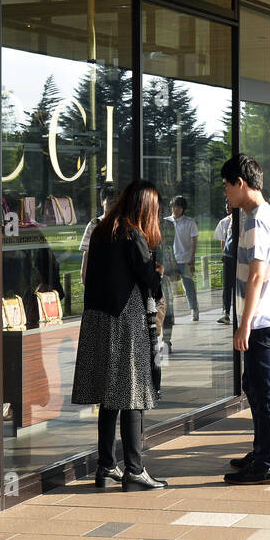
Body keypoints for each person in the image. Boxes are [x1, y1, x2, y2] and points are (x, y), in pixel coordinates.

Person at [72, 179, 168, 491]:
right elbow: (148, 280)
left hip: (97, 320)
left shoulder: (102, 230)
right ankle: (135, 470)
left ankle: (106, 465)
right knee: (133, 392)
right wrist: (158, 275)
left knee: (108, 396)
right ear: (145, 208)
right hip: (124, 320)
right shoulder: (132, 234)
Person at [221, 154, 270, 484]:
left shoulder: (259, 219)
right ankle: (261, 451)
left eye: (226, 186)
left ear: (241, 183)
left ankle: (267, 464)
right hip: (266, 319)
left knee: (264, 394)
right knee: (255, 388)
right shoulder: (259, 215)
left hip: (263, 322)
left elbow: (257, 276)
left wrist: (245, 323)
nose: (225, 194)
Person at [169, 195, 200, 321]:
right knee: (169, 290)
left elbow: (195, 240)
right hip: (171, 260)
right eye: (174, 206)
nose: (176, 209)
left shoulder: (189, 222)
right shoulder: (166, 221)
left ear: (183, 209)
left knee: (188, 287)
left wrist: (192, 257)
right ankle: (169, 315)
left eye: (179, 206)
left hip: (185, 260)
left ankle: (194, 309)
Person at [80, 183, 118, 286]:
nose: (114, 206)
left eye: (116, 203)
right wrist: (83, 276)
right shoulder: (94, 224)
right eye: (110, 203)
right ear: (102, 202)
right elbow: (86, 252)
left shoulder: (125, 225)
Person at [214, 208, 236, 324]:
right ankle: (226, 312)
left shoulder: (243, 217)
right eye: (227, 203)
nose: (228, 206)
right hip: (228, 256)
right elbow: (224, 240)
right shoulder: (226, 221)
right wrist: (224, 253)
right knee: (227, 286)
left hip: (238, 257)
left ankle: (235, 313)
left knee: (236, 286)